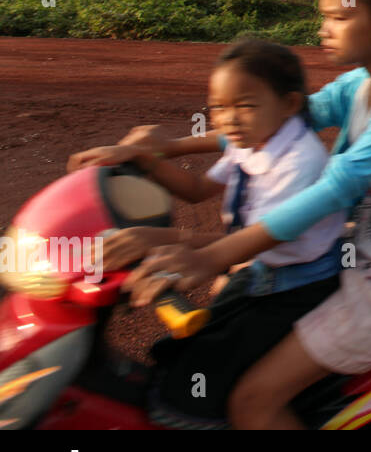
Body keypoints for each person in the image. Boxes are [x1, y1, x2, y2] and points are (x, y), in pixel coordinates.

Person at [127, 0, 371, 430]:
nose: (324, 29)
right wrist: (167, 146)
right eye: (324, 16)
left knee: (253, 402)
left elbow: (341, 184)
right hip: (359, 249)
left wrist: (215, 256)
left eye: (338, 16)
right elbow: (273, 119)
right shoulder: (362, 83)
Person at [71, 37, 344, 428]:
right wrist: (145, 160)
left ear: (289, 104)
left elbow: (247, 243)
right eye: (218, 107)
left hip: (295, 292)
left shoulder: (299, 162)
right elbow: (197, 190)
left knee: (211, 390)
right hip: (259, 277)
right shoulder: (252, 142)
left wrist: (163, 240)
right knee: (182, 354)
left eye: (245, 105)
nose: (228, 119)